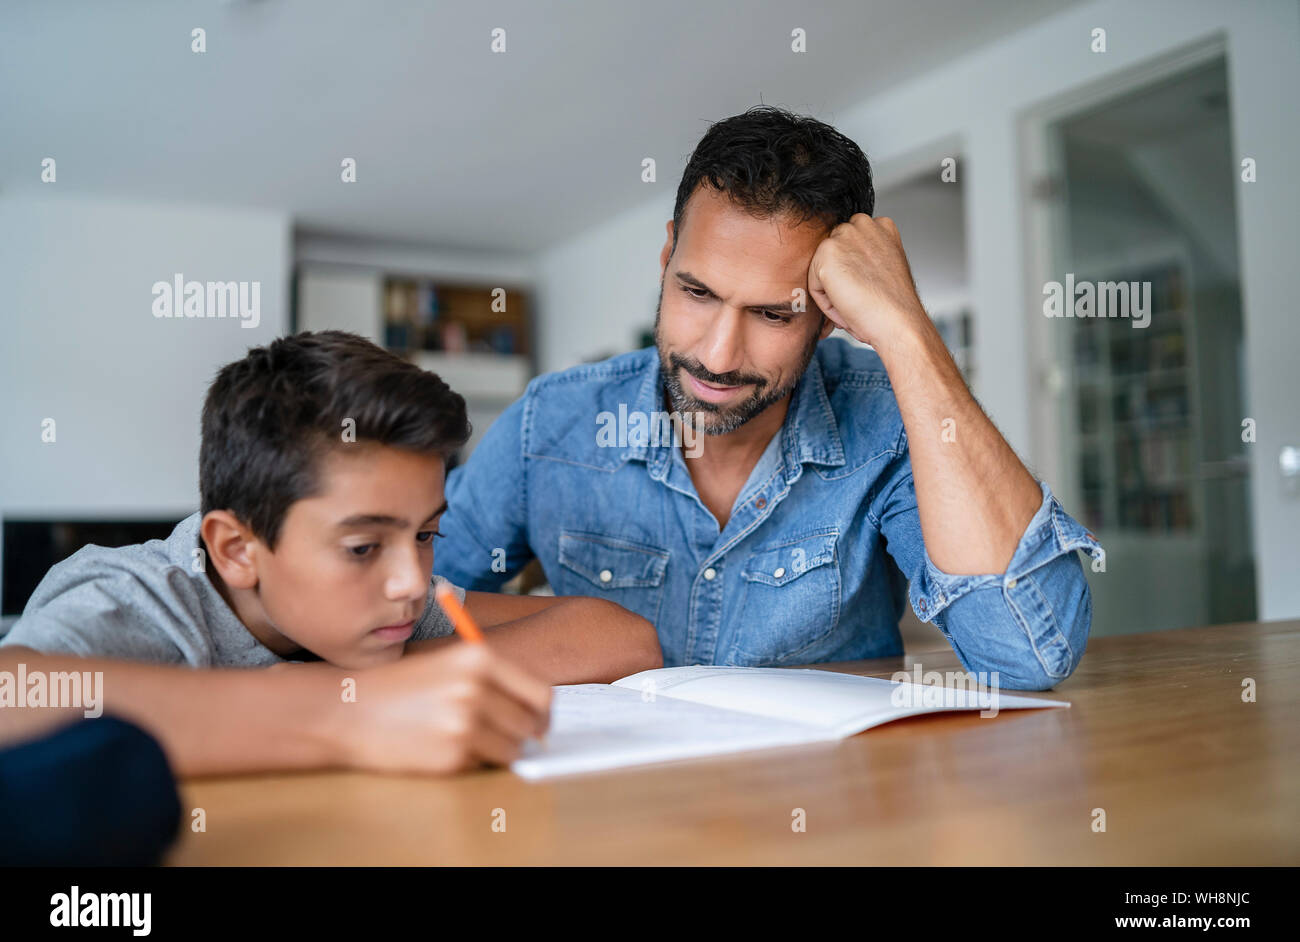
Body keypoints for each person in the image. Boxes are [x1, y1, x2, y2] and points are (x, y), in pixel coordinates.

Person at [434, 106, 1103, 691]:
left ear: (830, 312)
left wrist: (906, 330)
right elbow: (399, 609)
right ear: (667, 255)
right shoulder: (550, 423)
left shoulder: (887, 426)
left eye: (772, 316)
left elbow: (1027, 655)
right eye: (696, 292)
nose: (718, 357)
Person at [0, 331, 662, 775]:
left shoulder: (387, 607)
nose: (411, 580)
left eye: (426, 535)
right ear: (236, 549)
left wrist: (386, 678)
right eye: (363, 545)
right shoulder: (139, 600)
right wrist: (345, 709)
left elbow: (618, 636)